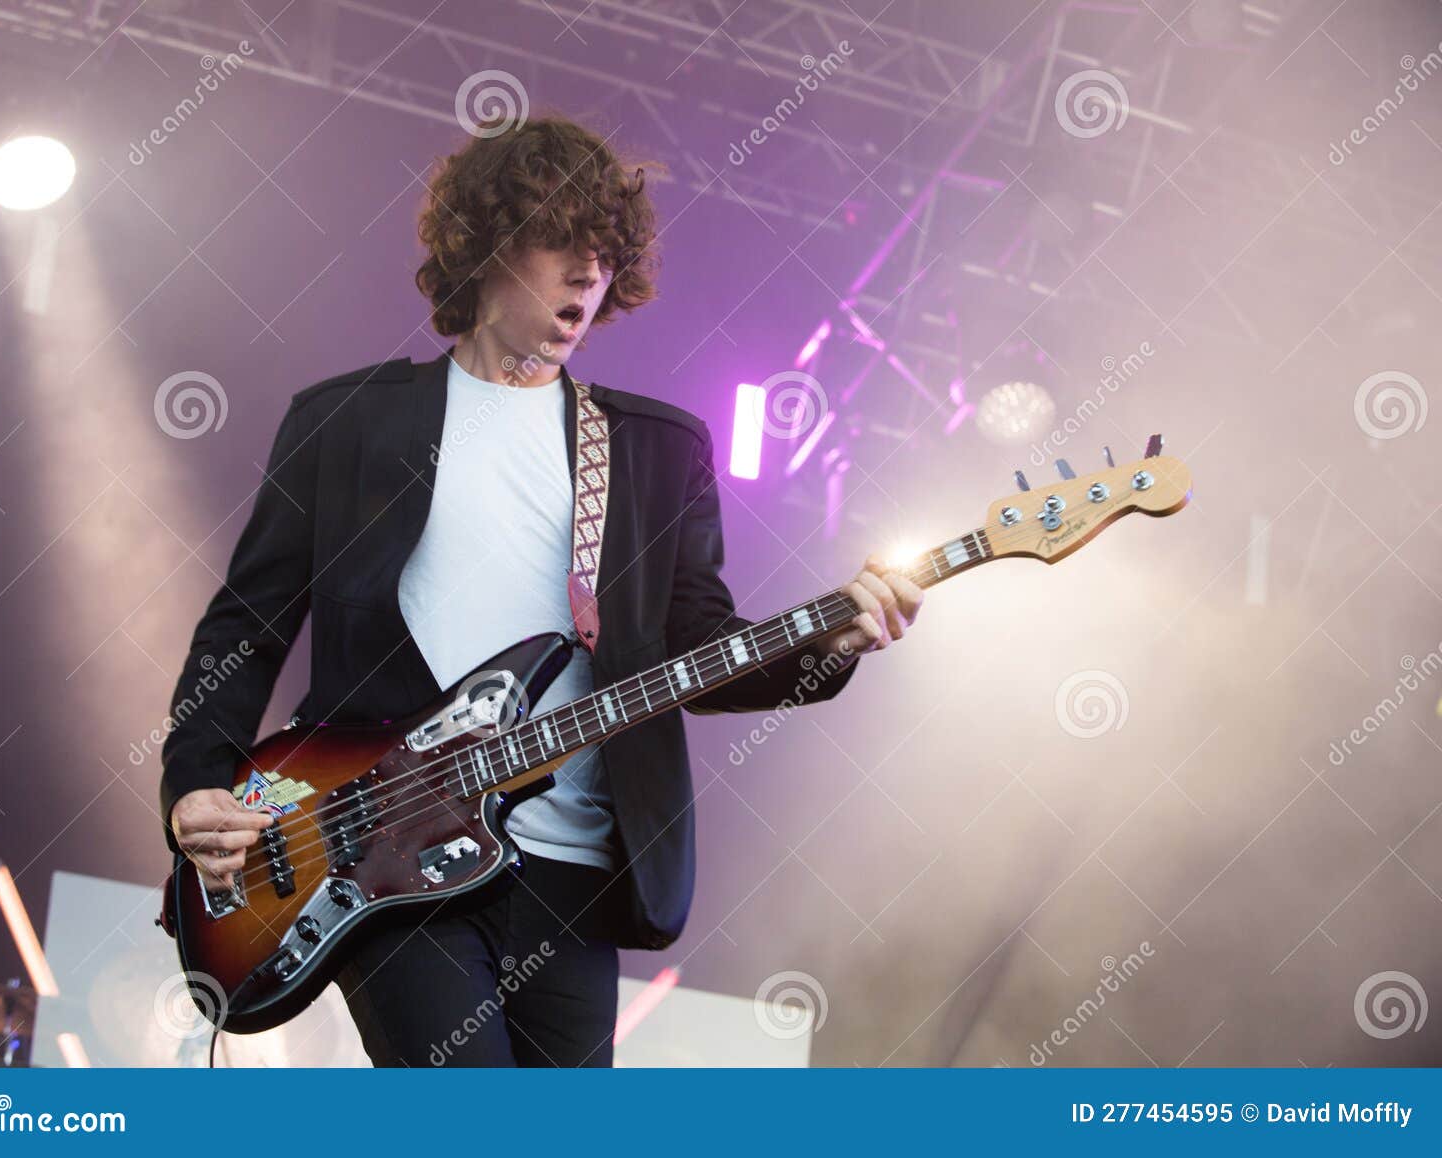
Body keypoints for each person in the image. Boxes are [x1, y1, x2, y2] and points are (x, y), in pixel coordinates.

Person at [159, 113, 923, 1067]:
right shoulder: (348, 422)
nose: (587, 276)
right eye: (563, 244)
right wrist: (194, 781)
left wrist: (834, 640)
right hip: (380, 848)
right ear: (488, 244)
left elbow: (702, 653)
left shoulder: (654, 450)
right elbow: (248, 624)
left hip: (575, 874)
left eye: (605, 256)